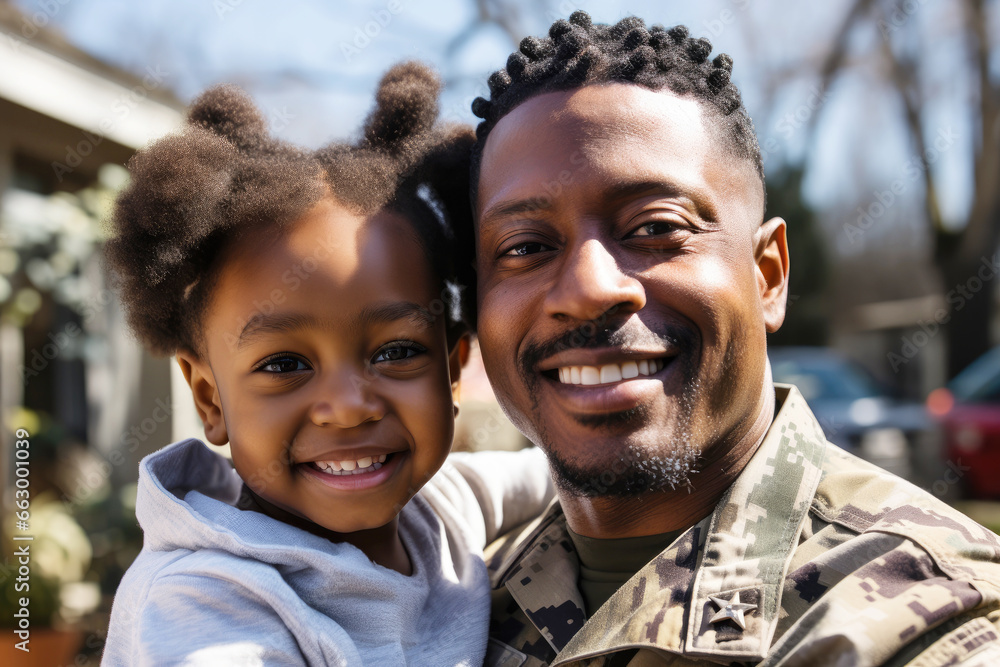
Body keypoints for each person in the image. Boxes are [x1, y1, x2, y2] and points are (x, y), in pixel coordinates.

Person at [469, 12, 1000, 666]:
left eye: (655, 227)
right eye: (526, 247)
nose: (588, 287)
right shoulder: (446, 602)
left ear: (769, 275)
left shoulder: (917, 615)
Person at [101, 62, 552, 666]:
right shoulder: (203, 601)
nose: (346, 406)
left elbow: (564, 475)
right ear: (210, 401)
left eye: (396, 352)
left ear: (451, 371)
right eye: (284, 364)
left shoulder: (439, 511)